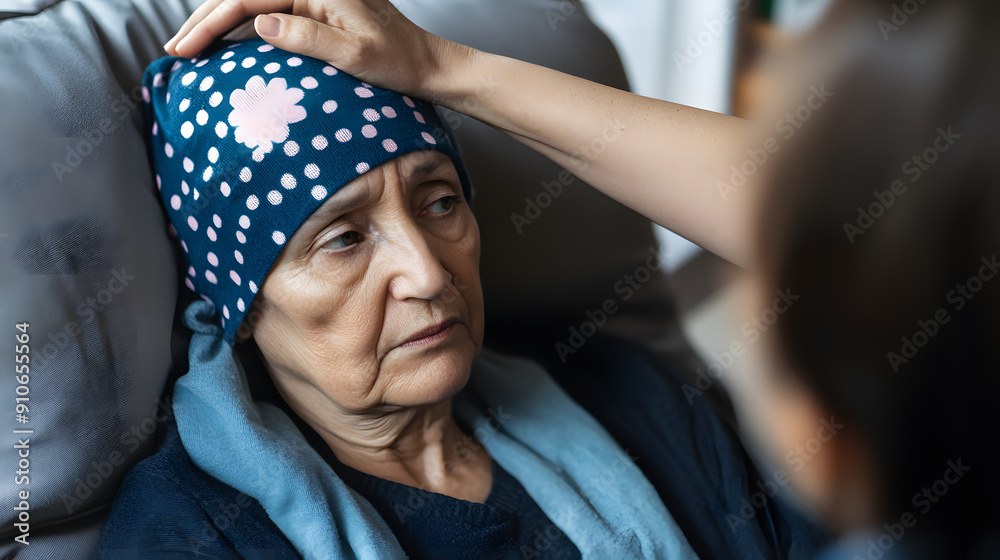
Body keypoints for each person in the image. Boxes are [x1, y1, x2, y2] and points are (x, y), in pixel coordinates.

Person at [158, 0, 1000, 557]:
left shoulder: (633, 396)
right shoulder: (195, 537)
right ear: (239, 300)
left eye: (440, 200)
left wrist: (442, 66)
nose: (425, 273)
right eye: (341, 240)